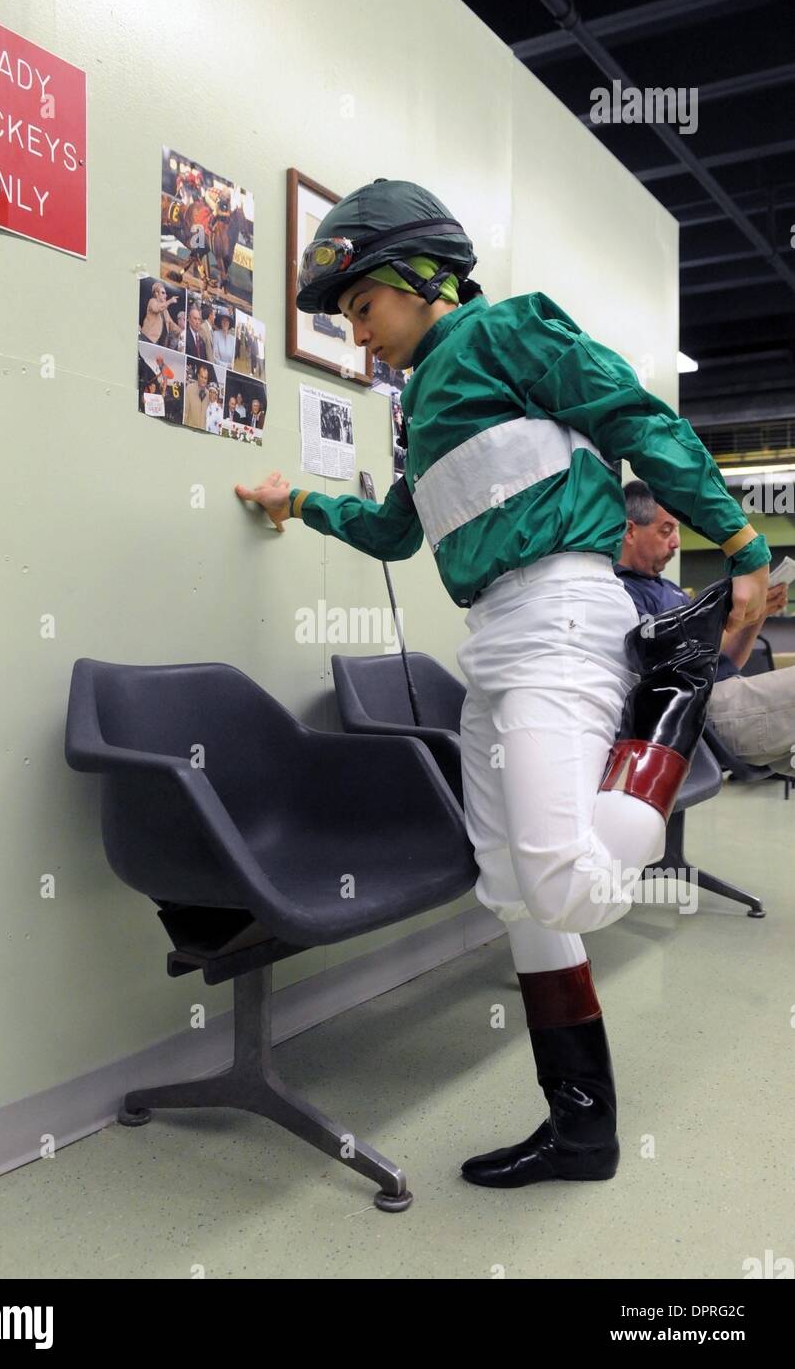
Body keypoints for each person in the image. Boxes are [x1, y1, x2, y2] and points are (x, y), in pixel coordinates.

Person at [234, 178, 770, 1189]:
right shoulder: (425, 406)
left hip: (563, 618)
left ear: (419, 278)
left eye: (361, 309)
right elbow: (397, 528)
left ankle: (674, 697)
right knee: (518, 894)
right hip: (494, 636)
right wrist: (294, 500)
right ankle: (581, 1130)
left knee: (568, 880)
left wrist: (742, 546)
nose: (358, 339)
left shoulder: (508, 335)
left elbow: (631, 419)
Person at [617, 480, 792, 776]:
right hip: (696, 710)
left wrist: (757, 615)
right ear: (631, 531)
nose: (675, 542)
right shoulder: (620, 592)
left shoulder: (674, 593)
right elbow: (659, 664)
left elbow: (727, 663)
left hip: (725, 693)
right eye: (666, 530)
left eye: (677, 531)